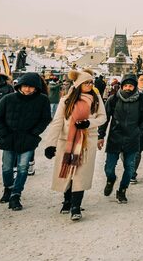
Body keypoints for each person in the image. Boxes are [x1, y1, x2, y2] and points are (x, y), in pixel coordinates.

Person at [43, 70, 108, 221]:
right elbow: (58, 122)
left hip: (86, 141)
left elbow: (103, 118)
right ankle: (67, 201)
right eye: (86, 82)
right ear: (78, 84)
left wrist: (89, 123)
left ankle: (76, 207)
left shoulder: (96, 99)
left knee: (80, 174)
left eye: (91, 82)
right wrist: (50, 144)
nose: (90, 85)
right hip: (67, 141)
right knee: (68, 172)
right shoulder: (66, 100)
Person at [0, 72, 52, 210]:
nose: (27, 89)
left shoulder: (42, 100)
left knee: (23, 168)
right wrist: (4, 133)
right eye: (25, 86)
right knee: (7, 167)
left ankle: (16, 195)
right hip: (9, 138)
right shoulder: (8, 98)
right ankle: (8, 188)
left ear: (36, 88)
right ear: (20, 86)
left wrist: (34, 133)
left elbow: (45, 119)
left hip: (28, 139)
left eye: (31, 87)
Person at [98, 74, 143, 203]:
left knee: (129, 167)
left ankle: (122, 190)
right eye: (125, 85)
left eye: (130, 85)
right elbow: (105, 118)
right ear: (121, 86)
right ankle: (111, 179)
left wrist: (138, 131)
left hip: (132, 137)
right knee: (109, 167)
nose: (127, 88)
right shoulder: (113, 99)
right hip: (115, 137)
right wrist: (101, 135)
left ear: (135, 87)